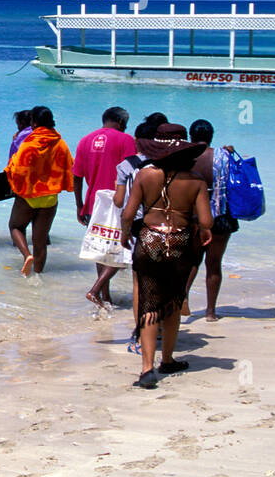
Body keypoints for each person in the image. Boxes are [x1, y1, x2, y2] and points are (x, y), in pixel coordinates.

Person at [121, 124, 212, 389]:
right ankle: (168, 359)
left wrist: (126, 234)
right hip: (180, 242)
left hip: (149, 239)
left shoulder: (144, 176)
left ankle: (147, 368)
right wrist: (204, 231)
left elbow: (128, 214)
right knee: (172, 302)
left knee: (149, 302)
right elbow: (206, 220)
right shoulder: (196, 181)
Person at [86, 118, 154, 320]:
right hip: (150, 218)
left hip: (130, 217)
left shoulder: (126, 164)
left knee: (122, 256)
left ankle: (101, 292)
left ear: (136, 140)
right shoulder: (158, 165)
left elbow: (118, 200)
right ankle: (98, 290)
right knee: (131, 263)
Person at [73, 107, 137, 309]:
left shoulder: (85, 140)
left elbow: (77, 176)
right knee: (122, 249)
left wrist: (79, 204)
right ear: (120, 122)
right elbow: (133, 171)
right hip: (118, 202)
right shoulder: (126, 139)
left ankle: (105, 295)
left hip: (93, 203)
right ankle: (97, 290)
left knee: (100, 249)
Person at [3, 106, 74, 276]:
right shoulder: (60, 143)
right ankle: (39, 277)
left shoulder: (30, 142)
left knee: (15, 226)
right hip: (50, 197)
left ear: (33, 122)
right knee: (40, 241)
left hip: (28, 196)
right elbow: (71, 165)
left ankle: (27, 255)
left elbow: (18, 169)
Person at [185, 119, 237, 322]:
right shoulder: (224, 155)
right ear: (211, 136)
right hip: (220, 216)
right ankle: (210, 313)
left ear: (191, 136)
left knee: (192, 261)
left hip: (192, 217)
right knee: (214, 264)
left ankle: (183, 299)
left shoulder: (185, 156)